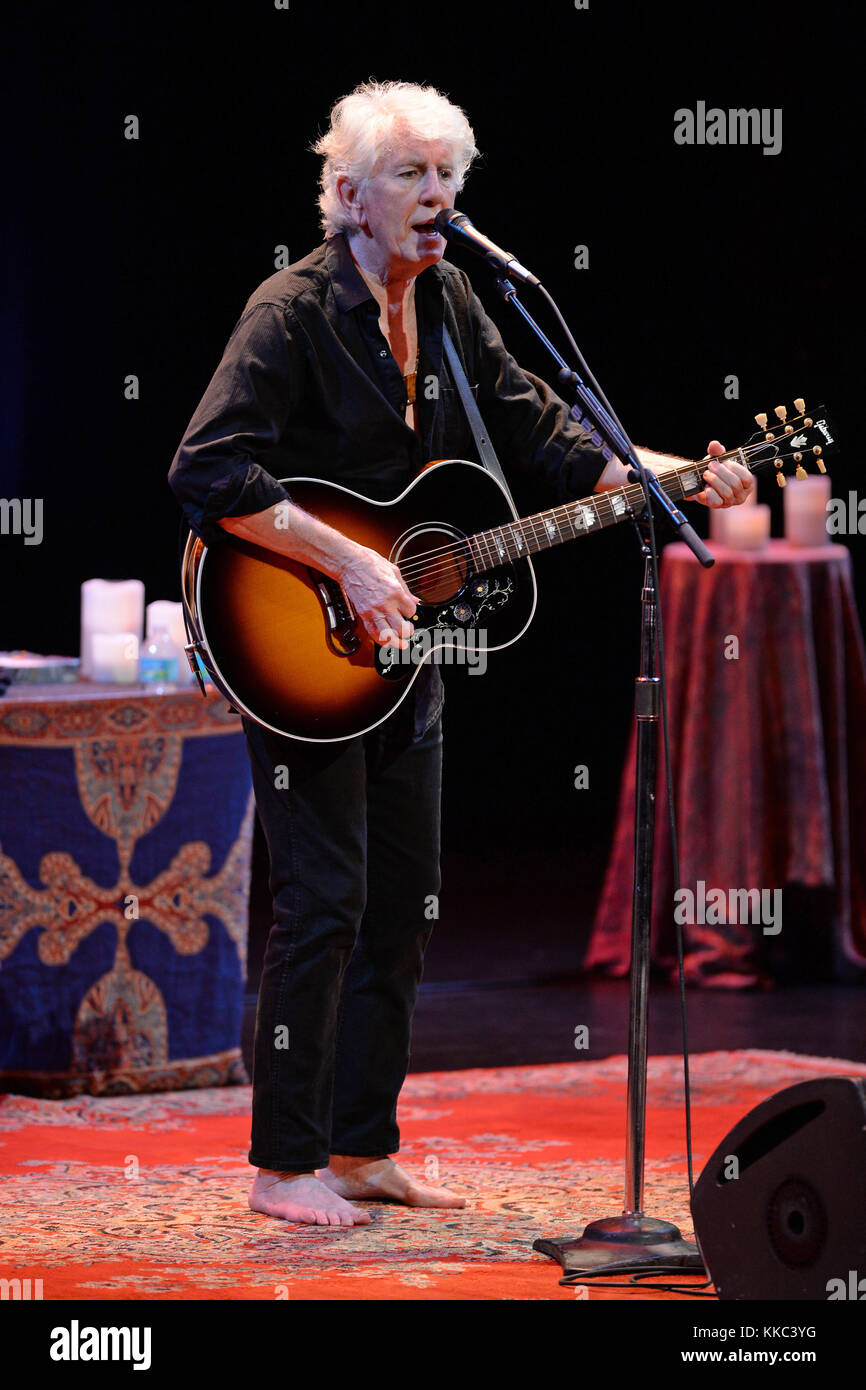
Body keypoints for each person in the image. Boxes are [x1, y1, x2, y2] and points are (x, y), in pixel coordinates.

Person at [168, 80, 753, 1228]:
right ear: (348, 195)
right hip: (294, 640)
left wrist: (668, 473)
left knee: (402, 902)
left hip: (407, 655)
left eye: (448, 177)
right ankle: (281, 1162)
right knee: (325, 899)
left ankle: (360, 1145)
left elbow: (539, 421)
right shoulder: (288, 312)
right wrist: (346, 561)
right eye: (410, 177)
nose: (436, 198)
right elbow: (206, 469)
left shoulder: (449, 301)